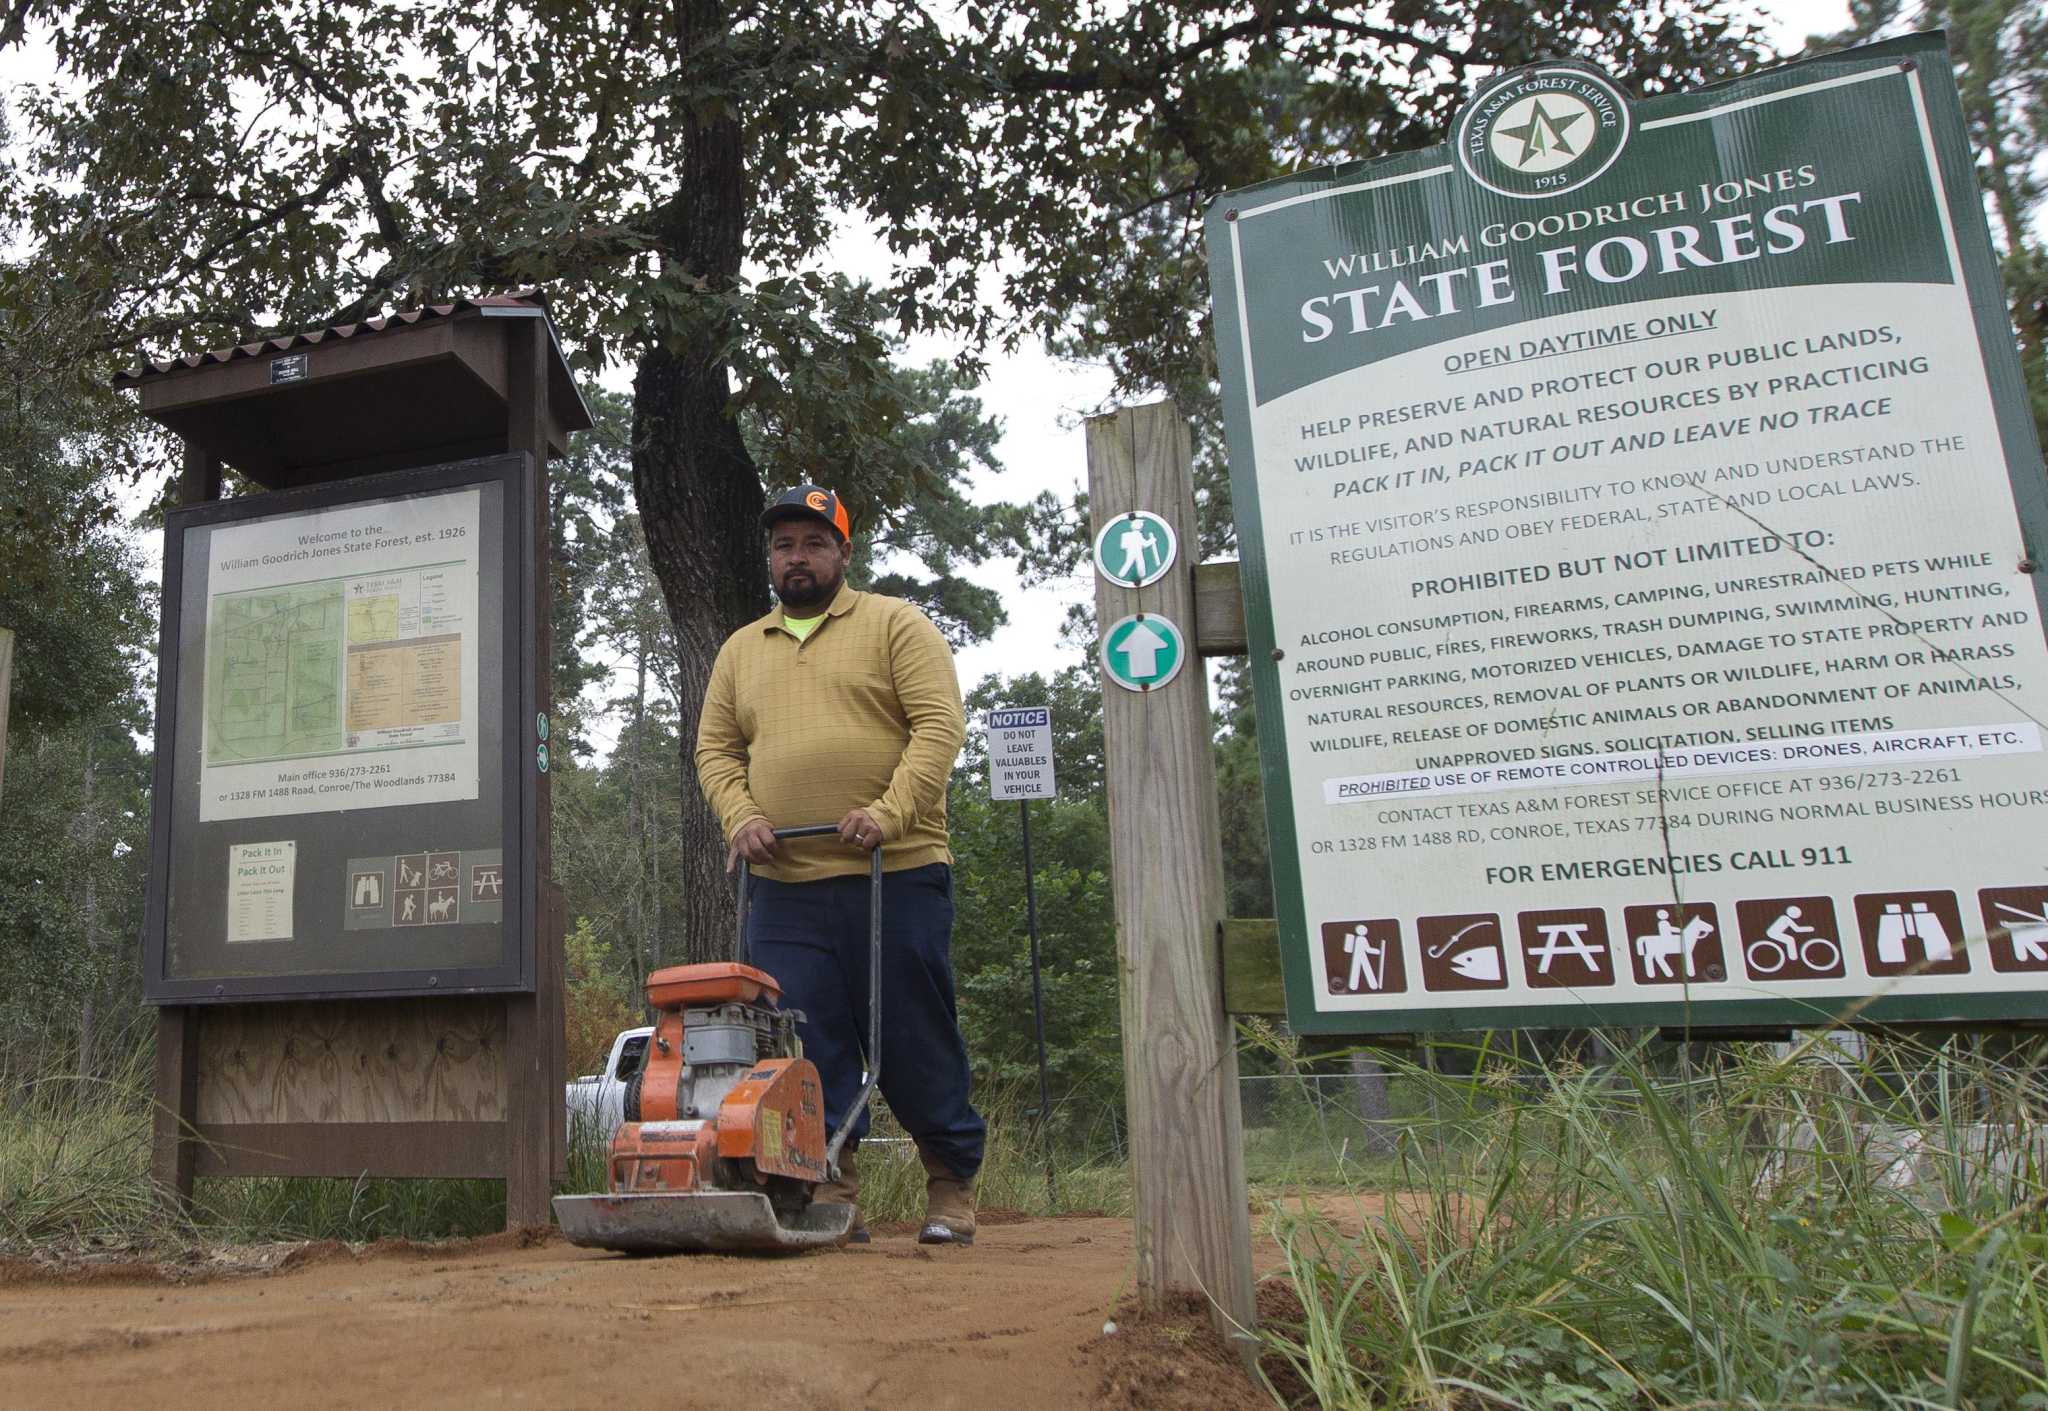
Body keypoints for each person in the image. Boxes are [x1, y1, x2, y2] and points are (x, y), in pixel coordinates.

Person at [695, 484, 985, 1246]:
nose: (798, 557)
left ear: (843, 554)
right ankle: (833, 1184)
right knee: (806, 1039)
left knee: (914, 1033)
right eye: (785, 544)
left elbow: (939, 725)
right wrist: (743, 816)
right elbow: (716, 751)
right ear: (770, 557)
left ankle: (950, 1184)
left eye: (815, 543)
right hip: (785, 885)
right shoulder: (740, 649)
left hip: (896, 871)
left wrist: (889, 811)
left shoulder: (896, 624)